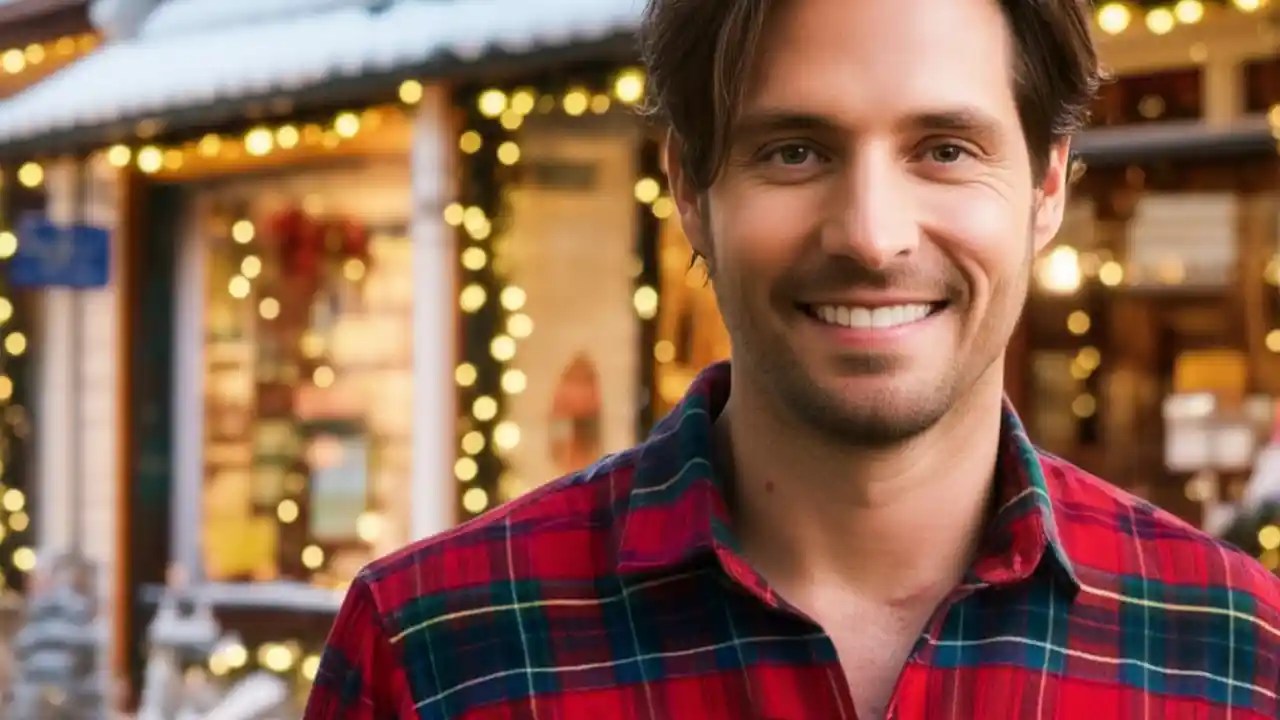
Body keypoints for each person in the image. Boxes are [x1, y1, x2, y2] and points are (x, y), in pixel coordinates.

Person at [304, 0, 1280, 717]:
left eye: (944, 149)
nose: (871, 236)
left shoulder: (1238, 655)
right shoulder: (433, 653)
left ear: (1046, 188)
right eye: (794, 152)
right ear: (691, 191)